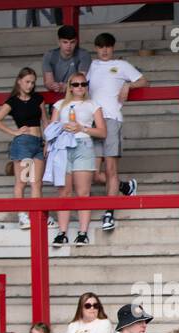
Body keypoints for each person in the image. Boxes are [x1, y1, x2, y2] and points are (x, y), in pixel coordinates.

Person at [86, 33, 144, 233]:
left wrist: (128, 84)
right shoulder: (91, 66)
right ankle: (125, 187)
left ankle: (109, 212)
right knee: (93, 174)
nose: (104, 50)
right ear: (96, 48)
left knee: (111, 170)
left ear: (113, 48)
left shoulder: (122, 65)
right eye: (101, 47)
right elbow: (80, 87)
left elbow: (144, 81)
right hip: (93, 120)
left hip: (112, 119)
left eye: (108, 47)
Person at [47, 71, 105, 246]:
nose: (80, 87)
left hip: (83, 145)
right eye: (75, 84)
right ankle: (62, 232)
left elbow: (102, 132)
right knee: (64, 192)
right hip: (62, 147)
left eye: (83, 84)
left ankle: (82, 232)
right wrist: (61, 128)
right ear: (70, 87)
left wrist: (82, 128)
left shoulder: (93, 104)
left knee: (83, 193)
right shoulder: (59, 105)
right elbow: (51, 129)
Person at [0, 67, 46, 230]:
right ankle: (22, 216)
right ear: (19, 81)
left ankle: (36, 215)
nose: (30, 85)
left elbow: (45, 121)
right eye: (27, 82)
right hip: (23, 143)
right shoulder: (13, 101)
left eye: (33, 82)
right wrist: (14, 132)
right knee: (22, 181)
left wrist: (48, 141)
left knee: (36, 183)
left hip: (38, 142)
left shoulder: (38, 99)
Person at [42, 24, 90, 95]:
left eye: (72, 42)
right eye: (65, 42)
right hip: (56, 96)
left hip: (78, 96)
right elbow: (48, 82)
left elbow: (82, 81)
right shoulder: (49, 56)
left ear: (76, 42)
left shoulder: (83, 55)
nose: (69, 46)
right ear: (58, 42)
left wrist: (67, 86)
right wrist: (54, 86)